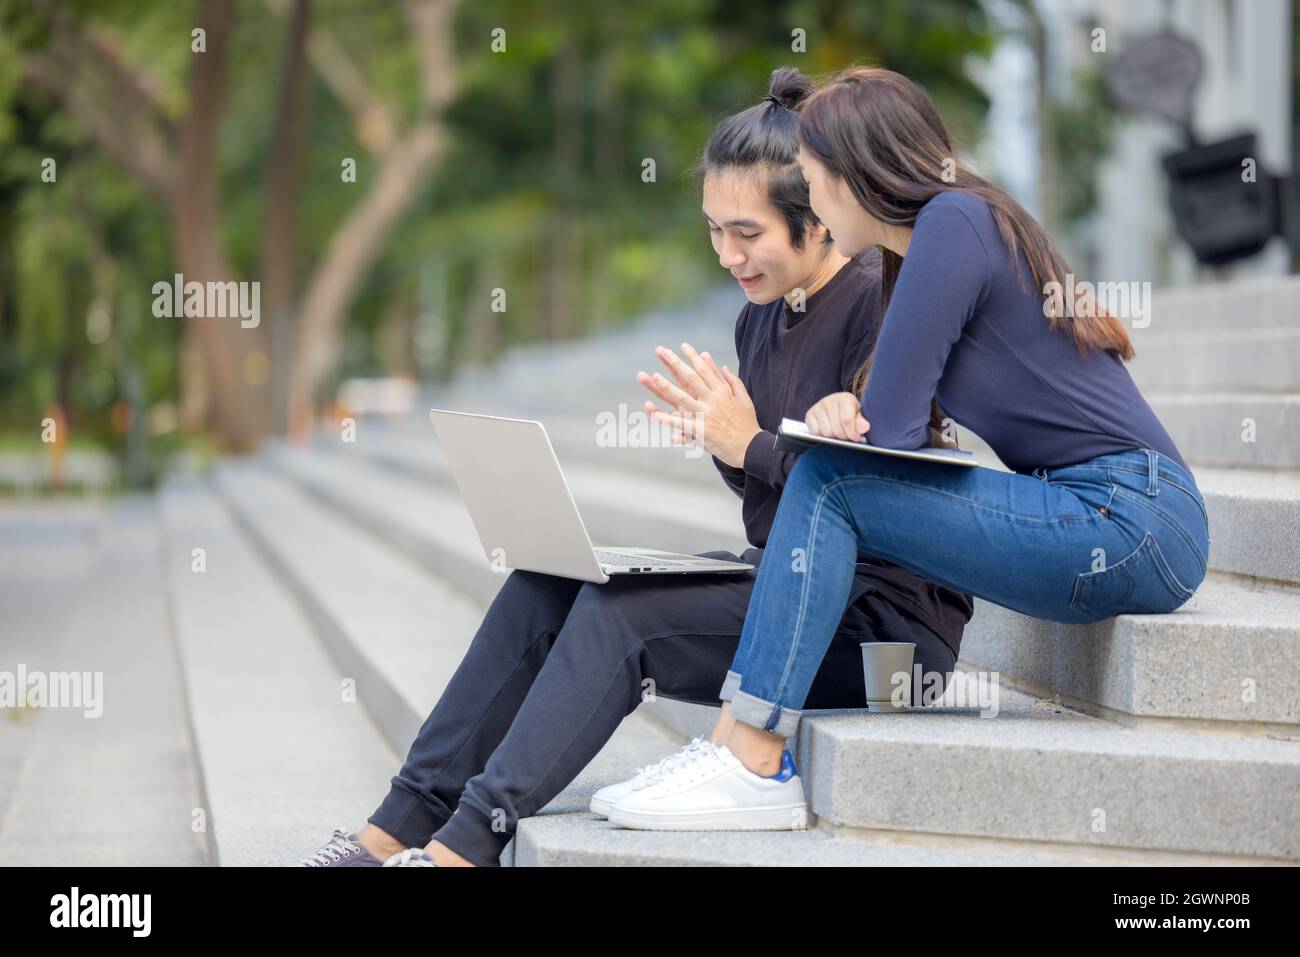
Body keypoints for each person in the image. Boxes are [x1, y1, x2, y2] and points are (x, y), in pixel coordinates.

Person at [298, 67, 972, 866]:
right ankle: (389, 831)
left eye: (746, 233)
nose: (727, 255)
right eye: (714, 229)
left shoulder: (880, 304)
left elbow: (877, 502)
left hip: (884, 626)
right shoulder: (761, 320)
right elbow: (775, 499)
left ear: (819, 219)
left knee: (625, 619)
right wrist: (733, 445)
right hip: (789, 587)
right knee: (548, 581)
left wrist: (747, 442)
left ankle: (462, 850)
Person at [616, 67, 1209, 830]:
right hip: (1101, 513)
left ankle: (751, 751)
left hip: (1132, 518)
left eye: (814, 180)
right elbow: (880, 426)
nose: (813, 205)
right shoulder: (927, 247)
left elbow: (885, 437)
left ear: (853, 176)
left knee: (830, 482)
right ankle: (738, 743)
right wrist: (844, 409)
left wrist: (824, 425)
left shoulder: (953, 226)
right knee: (833, 474)